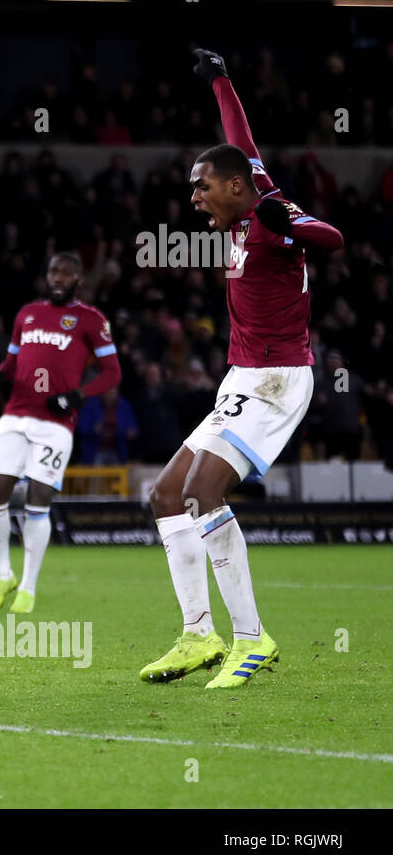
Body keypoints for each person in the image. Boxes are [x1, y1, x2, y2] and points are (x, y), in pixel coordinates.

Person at [141, 50, 344, 689]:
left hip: (279, 379)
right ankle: (199, 636)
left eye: (201, 186)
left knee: (204, 492)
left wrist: (291, 225)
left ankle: (252, 640)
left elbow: (333, 238)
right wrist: (222, 77)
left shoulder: (271, 215)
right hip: (240, 378)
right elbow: (240, 139)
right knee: (167, 495)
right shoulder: (246, 182)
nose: (195, 198)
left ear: (233, 187)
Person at [0, 252, 121, 613]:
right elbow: (12, 361)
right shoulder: (27, 314)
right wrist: (0, 375)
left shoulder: (91, 320)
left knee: (38, 499)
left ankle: (27, 587)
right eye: (53, 271)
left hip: (55, 425)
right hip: (15, 415)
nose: (57, 277)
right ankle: (2, 575)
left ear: (77, 278)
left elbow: (112, 373)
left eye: (65, 272)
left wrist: (78, 395)